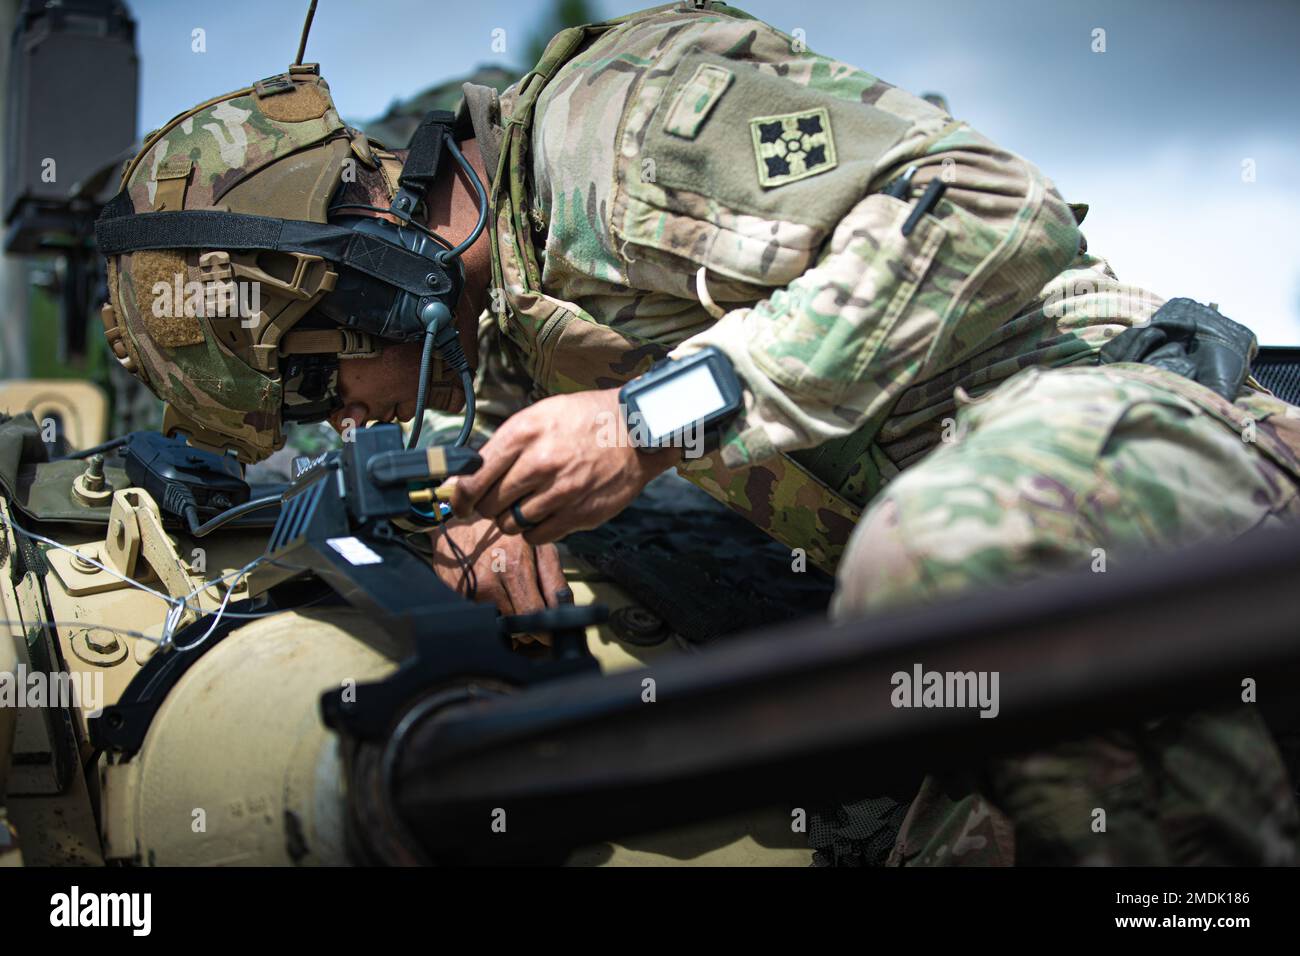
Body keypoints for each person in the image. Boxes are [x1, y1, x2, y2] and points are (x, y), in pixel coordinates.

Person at [96, 1, 1299, 864]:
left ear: (362, 273)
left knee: (953, 557)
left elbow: (993, 208)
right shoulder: (496, 338)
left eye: (313, 384)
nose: (347, 415)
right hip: (974, 598)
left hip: (1160, 458)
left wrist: (644, 422)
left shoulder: (615, 134)